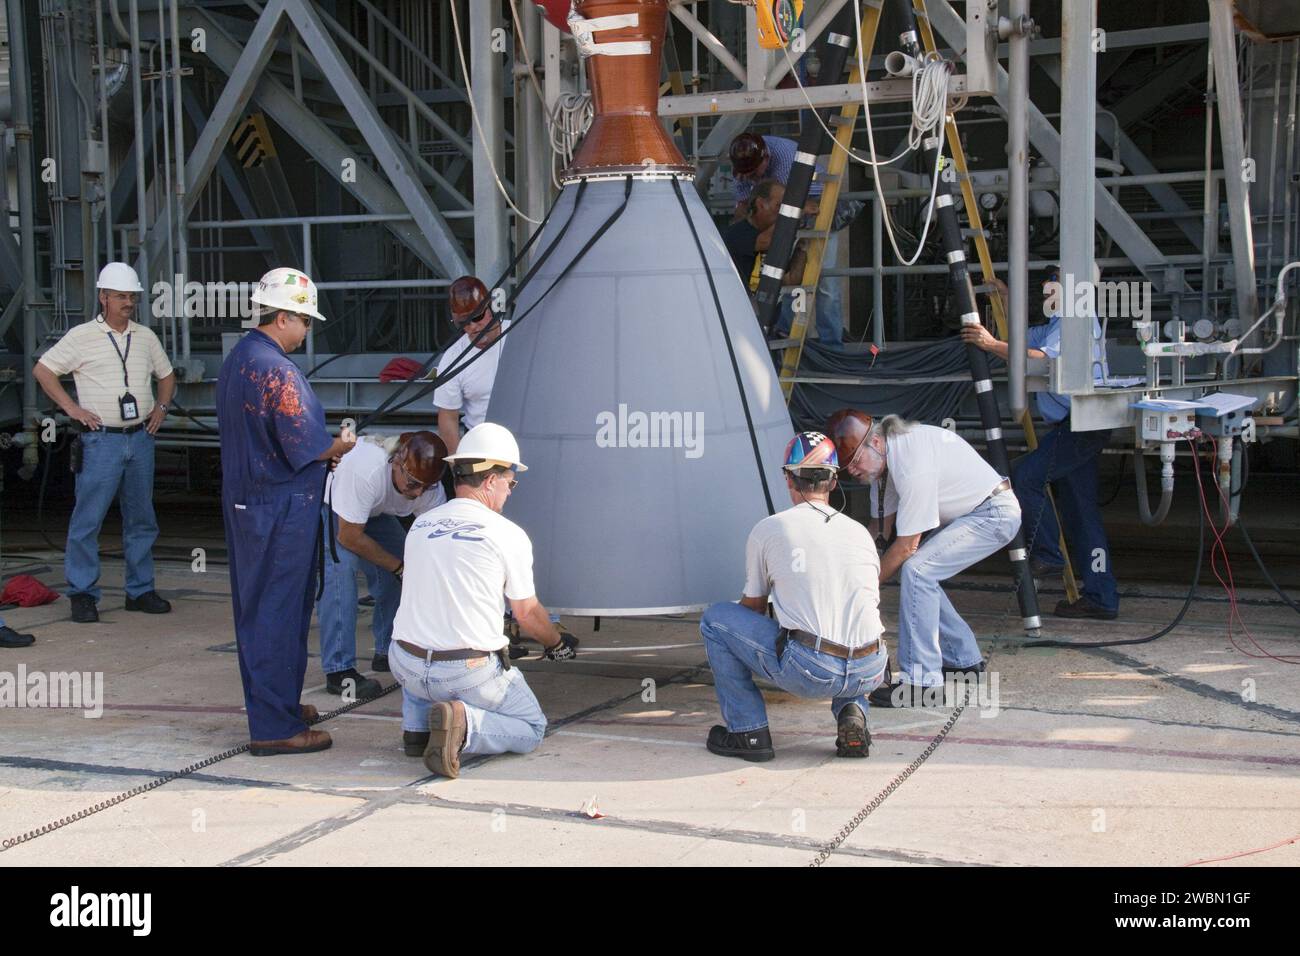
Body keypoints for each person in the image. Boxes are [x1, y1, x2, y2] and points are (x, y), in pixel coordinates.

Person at [216, 267, 356, 756]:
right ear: (283, 317)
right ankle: (275, 727)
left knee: (260, 611)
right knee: (279, 613)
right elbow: (304, 443)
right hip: (280, 509)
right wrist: (339, 444)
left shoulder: (238, 359)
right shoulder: (277, 370)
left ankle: (276, 706)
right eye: (305, 321)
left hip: (250, 503)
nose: (308, 330)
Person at [388, 422, 578, 777]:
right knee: (532, 727)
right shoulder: (507, 534)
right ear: (491, 480)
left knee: (423, 635)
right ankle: (464, 724)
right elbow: (527, 613)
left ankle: (417, 730)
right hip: (464, 673)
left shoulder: (422, 524)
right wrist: (556, 642)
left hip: (405, 664)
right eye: (510, 482)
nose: (510, 491)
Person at [698, 431, 888, 762]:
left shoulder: (770, 529)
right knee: (848, 625)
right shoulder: (859, 533)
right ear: (832, 483)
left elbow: (753, 609)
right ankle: (853, 712)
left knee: (716, 620)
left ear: (789, 479)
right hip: (870, 667)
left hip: (813, 670)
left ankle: (749, 733)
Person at [828, 410, 1021, 705]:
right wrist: (850, 571)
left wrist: (864, 587)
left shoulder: (911, 463)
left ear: (876, 442)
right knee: (922, 573)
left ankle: (922, 683)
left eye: (855, 461)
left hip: (993, 513)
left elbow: (906, 546)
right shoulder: (888, 463)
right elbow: (880, 528)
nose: (853, 471)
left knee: (918, 571)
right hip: (976, 513)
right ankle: (963, 659)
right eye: (847, 467)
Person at [961, 267, 1119, 620]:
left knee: (1025, 477)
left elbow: (1039, 358)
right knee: (1082, 514)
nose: (1047, 291)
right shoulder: (1058, 322)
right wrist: (1005, 299)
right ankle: (1102, 596)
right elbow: (1021, 343)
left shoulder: (1075, 319)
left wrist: (987, 343)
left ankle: (1047, 553)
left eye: (1053, 285)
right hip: (1078, 424)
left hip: (1080, 425)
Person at [33, 263, 176, 624]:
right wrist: (71, 408)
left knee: (142, 519)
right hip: (101, 441)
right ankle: (82, 593)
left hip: (139, 437)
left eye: (132, 297)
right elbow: (43, 370)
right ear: (103, 297)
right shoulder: (82, 336)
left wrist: (161, 407)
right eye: (121, 296)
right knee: (88, 519)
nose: (128, 302)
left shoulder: (145, 336)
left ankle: (140, 590)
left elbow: (167, 375)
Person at [317, 431, 447, 700]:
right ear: (396, 462)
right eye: (412, 484)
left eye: (425, 486)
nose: (417, 493)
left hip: (375, 508)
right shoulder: (366, 469)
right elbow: (349, 536)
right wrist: (399, 568)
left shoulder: (427, 484)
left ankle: (389, 650)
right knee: (341, 576)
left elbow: (437, 538)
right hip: (338, 509)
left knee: (405, 569)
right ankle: (339, 670)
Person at [729, 132, 844, 348]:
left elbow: (786, 205)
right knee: (789, 278)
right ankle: (784, 334)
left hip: (815, 204)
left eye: (755, 173)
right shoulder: (747, 171)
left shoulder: (785, 159)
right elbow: (743, 207)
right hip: (784, 212)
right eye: (748, 175)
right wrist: (738, 238)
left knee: (825, 280)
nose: (751, 177)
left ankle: (832, 344)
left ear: (765, 159)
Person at [434, 276, 507, 457]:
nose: (473, 327)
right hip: (480, 446)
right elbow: (448, 417)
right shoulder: (452, 359)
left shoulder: (521, 334)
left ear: (493, 307)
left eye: (478, 316)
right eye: (464, 323)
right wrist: (459, 464)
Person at [722, 179, 807, 332]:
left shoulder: (778, 237)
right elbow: (765, 242)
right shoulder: (736, 233)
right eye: (779, 206)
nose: (782, 212)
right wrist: (794, 213)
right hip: (738, 320)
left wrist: (803, 246)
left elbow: (791, 279)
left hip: (767, 323)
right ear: (761, 204)